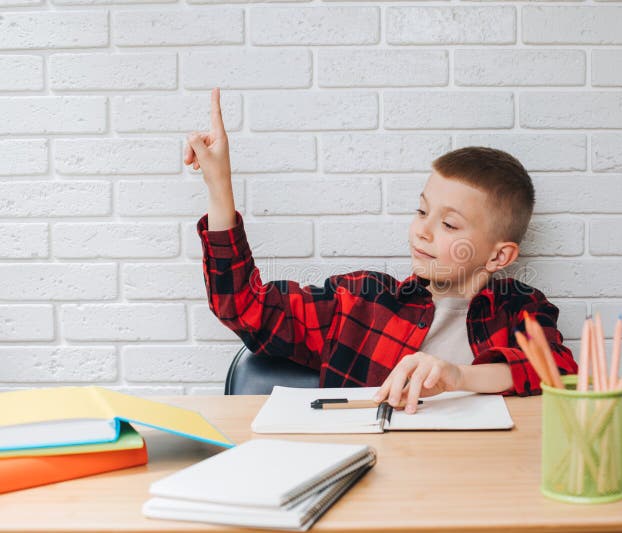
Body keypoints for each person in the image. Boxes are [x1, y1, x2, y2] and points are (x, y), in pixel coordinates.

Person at [187, 88, 577, 414]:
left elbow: (560, 371)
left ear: (498, 257)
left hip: (476, 488)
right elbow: (242, 305)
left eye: (449, 224)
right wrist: (219, 186)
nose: (422, 231)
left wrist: (458, 376)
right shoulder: (361, 303)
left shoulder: (518, 309)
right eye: (422, 211)